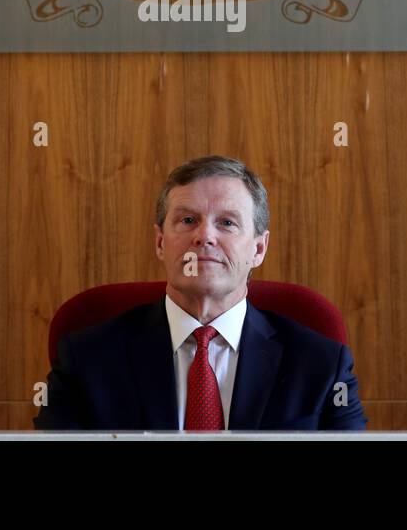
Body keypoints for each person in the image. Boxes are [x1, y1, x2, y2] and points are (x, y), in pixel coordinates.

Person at [33, 155, 368, 430]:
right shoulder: (87, 358)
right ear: (160, 242)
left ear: (259, 248)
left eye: (227, 223)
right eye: (188, 219)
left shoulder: (321, 365)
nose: (205, 236)